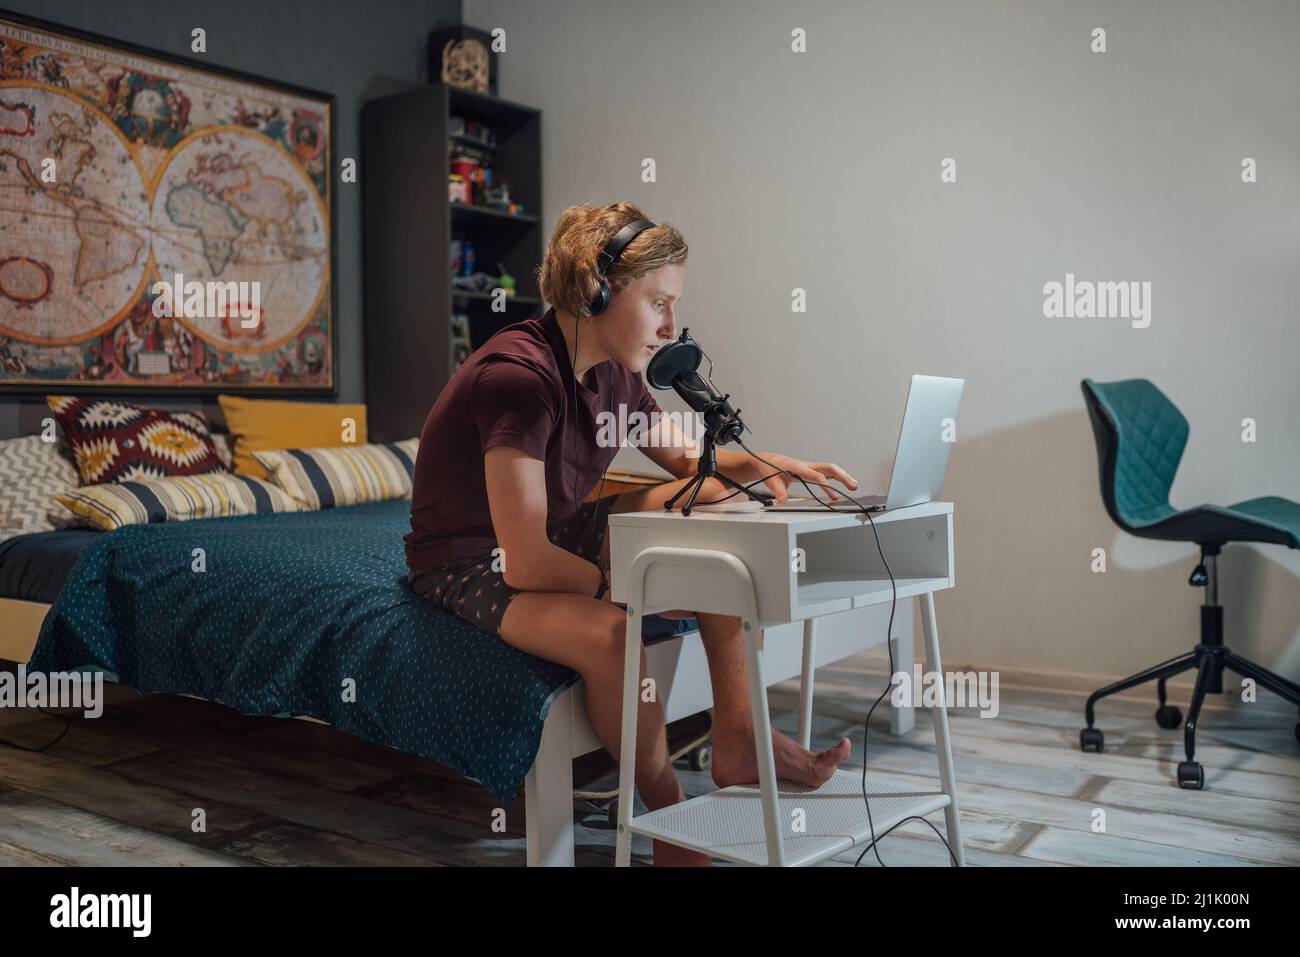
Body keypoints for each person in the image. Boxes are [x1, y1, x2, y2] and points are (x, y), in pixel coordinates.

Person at [405, 201, 859, 865]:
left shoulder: (615, 373)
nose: (671, 326)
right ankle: (670, 817)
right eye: (658, 304)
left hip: (554, 532)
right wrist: (638, 584)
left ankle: (738, 736)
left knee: (716, 503)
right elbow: (526, 560)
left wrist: (773, 465)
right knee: (615, 635)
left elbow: (685, 462)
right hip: (471, 561)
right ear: (597, 291)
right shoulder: (519, 379)